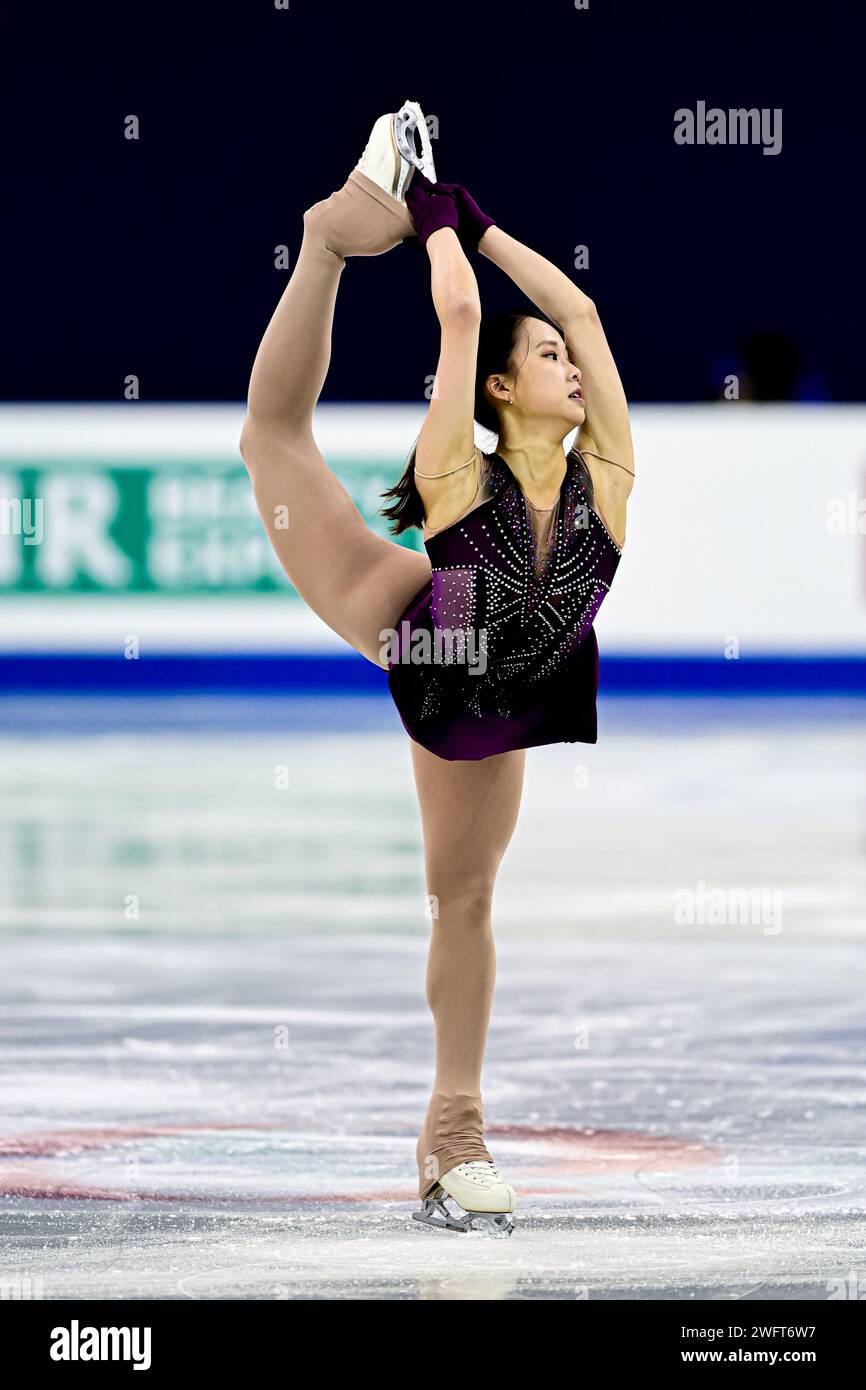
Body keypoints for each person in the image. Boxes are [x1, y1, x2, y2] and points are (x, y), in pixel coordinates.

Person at [240, 102, 634, 1235]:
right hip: (431, 640)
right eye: (544, 359)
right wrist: (426, 215)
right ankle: (322, 241)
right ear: (502, 392)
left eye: (565, 361)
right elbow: (460, 312)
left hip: (519, 675)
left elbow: (587, 310)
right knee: (271, 439)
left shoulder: (604, 471)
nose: (566, 362)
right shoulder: (458, 467)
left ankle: (450, 1133)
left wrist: (477, 219)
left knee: (463, 896)